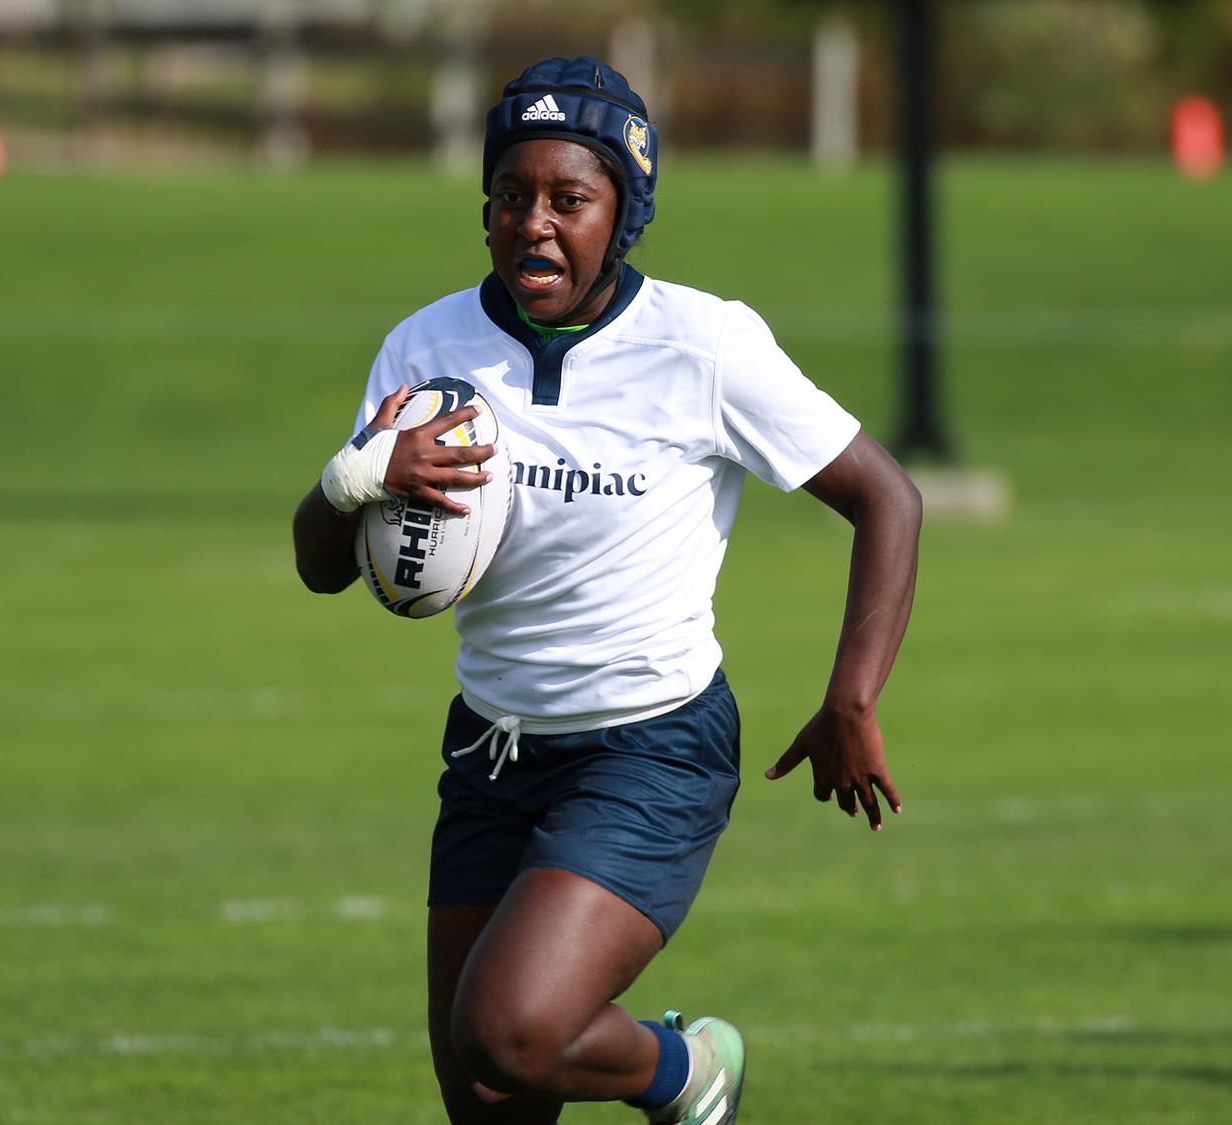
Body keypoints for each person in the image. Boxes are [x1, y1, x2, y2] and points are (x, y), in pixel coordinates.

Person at [292, 57, 920, 1124]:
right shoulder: (427, 346)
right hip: (490, 747)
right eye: (508, 196)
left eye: (566, 200)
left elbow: (886, 497)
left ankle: (685, 1073)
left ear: (622, 214)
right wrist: (360, 477)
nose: (532, 223)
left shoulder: (702, 343)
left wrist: (852, 697)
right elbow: (319, 565)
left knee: (509, 1028)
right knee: (484, 1083)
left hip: (648, 749)